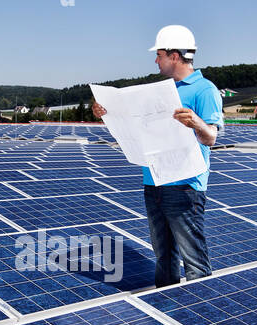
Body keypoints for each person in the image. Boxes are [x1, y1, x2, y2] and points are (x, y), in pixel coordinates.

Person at [92, 24, 222, 287]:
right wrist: (108, 114)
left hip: (185, 186)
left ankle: (199, 314)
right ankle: (169, 309)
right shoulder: (159, 91)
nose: (156, 60)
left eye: (160, 54)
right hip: (153, 183)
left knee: (193, 259)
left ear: (175, 55)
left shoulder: (204, 90)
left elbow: (211, 137)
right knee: (163, 257)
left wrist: (196, 122)